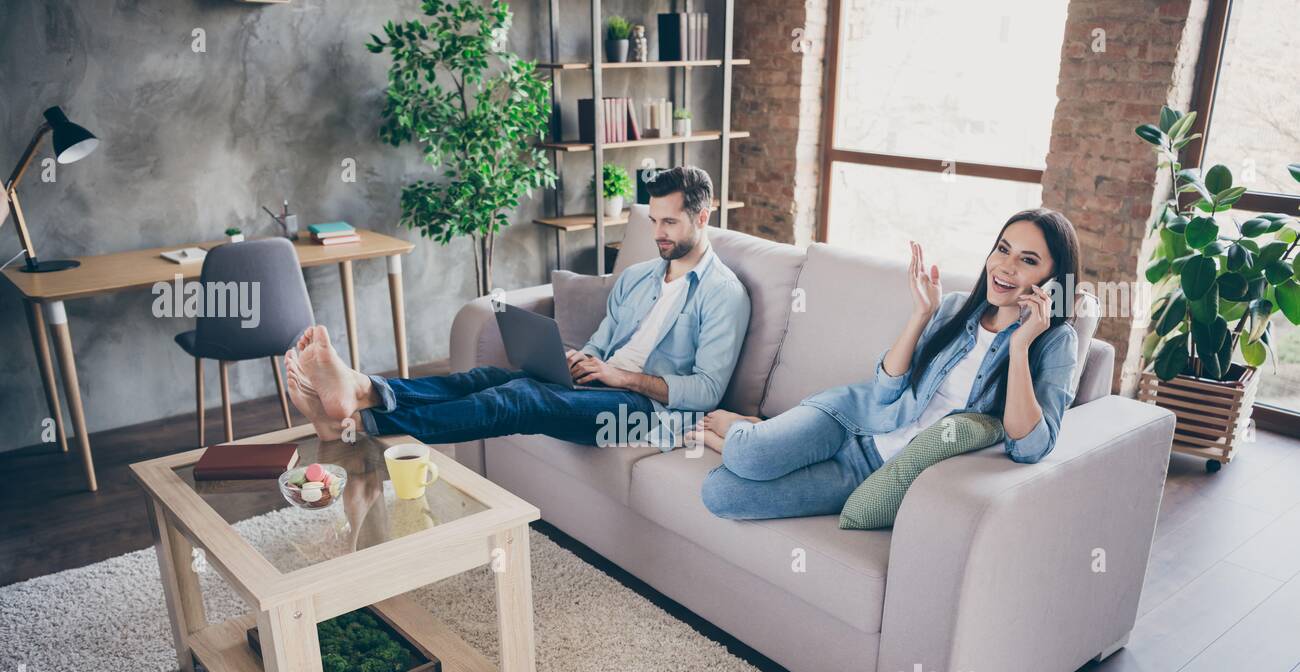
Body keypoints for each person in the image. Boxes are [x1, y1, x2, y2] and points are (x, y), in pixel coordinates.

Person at [283, 165, 751, 451]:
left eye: (670, 222)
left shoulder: (723, 294)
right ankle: (362, 389)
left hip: (642, 412)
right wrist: (579, 360)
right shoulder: (639, 276)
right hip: (601, 385)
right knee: (484, 377)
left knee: (520, 399)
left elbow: (707, 390)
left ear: (703, 217)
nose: (658, 233)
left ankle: (362, 421)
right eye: (654, 221)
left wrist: (619, 377)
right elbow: (602, 342)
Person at [691, 208, 1082, 520]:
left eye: (1027, 260)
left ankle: (749, 434)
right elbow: (884, 390)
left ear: (1052, 280)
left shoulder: (1055, 343)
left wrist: (1019, 346)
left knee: (721, 494)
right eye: (1002, 249)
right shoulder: (954, 308)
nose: (1006, 266)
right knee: (748, 456)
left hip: (874, 469)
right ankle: (744, 432)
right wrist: (921, 315)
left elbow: (1029, 447)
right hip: (851, 418)